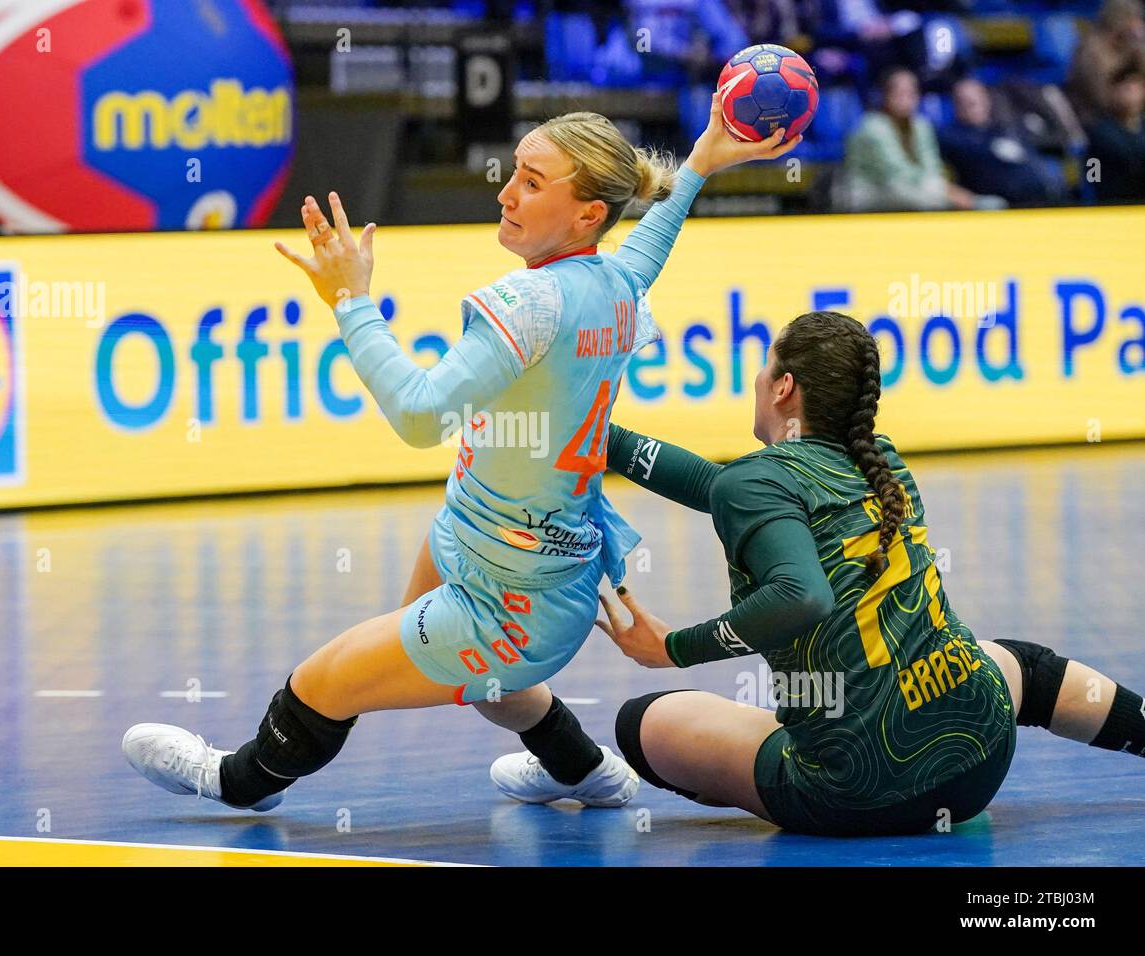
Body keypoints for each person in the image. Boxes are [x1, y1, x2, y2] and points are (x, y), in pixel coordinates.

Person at [122, 96, 800, 813]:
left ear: (588, 214)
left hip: (511, 597)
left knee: (325, 683)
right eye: (514, 172)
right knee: (459, 677)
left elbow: (420, 415)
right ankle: (582, 769)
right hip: (493, 546)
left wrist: (351, 301)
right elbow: (645, 250)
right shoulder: (614, 285)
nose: (506, 192)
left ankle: (236, 782)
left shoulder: (530, 303)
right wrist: (697, 163)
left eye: (533, 182)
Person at [583, 310, 1145, 835]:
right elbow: (722, 490)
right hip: (978, 759)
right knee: (1016, 662)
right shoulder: (880, 460)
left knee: (640, 724)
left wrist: (674, 648)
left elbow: (801, 597)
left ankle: (591, 756)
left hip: (855, 791)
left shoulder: (754, 483)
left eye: (766, 364)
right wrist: (605, 440)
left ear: (784, 387)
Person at [835, 68, 999, 211]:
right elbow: (896, 172)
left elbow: (932, 165)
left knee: (928, 191)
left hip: (915, 187)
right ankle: (970, 203)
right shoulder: (871, 127)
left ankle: (963, 201)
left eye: (912, 92)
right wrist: (941, 190)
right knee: (918, 194)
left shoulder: (921, 125)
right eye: (900, 93)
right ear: (885, 94)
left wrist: (936, 184)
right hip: (872, 189)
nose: (907, 99)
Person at [937, 77, 1063, 207]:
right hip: (994, 207)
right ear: (955, 104)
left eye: (974, 101)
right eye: (963, 101)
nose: (970, 105)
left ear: (986, 99)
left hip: (1040, 200)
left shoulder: (1007, 129)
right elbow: (936, 179)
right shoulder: (949, 137)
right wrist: (973, 201)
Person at [1068, 0, 1145, 125]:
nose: (1138, 25)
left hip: (1128, 113)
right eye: (1134, 19)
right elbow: (1099, 97)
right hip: (1096, 118)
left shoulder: (1130, 46)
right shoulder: (1092, 49)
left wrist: (1139, 48)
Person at [1086, 61, 1145, 203]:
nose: (1132, 95)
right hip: (1115, 202)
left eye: (1136, 88)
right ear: (1113, 91)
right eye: (1127, 88)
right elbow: (1093, 175)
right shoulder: (1100, 132)